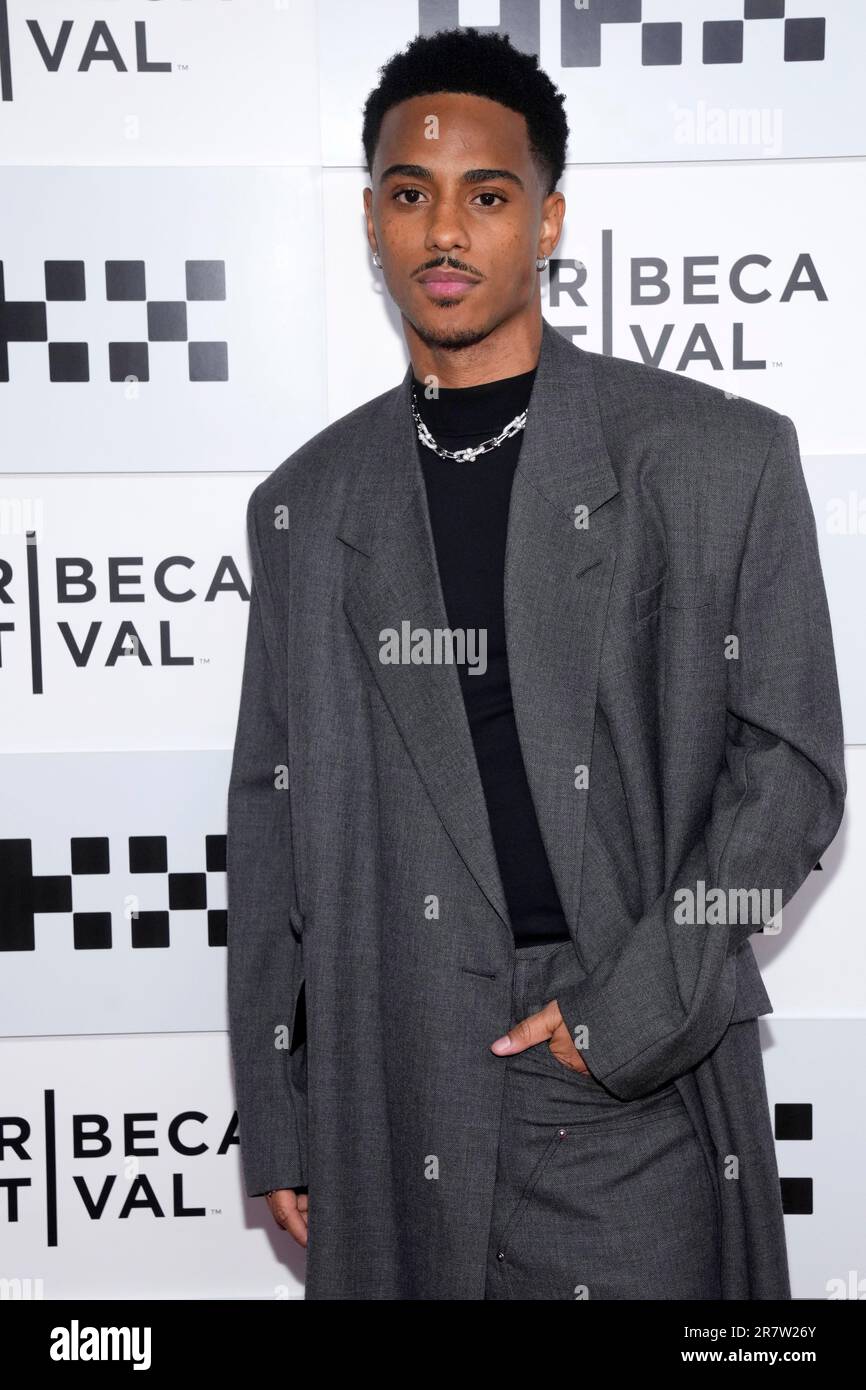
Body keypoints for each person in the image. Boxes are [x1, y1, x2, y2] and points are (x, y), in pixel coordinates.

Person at [226, 27, 846, 1300]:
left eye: (486, 196)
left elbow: (790, 771)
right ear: (370, 221)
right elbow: (270, 820)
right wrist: (285, 1112)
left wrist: (621, 1013)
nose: (445, 230)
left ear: (548, 220)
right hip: (386, 1092)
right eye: (411, 194)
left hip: (621, 1091)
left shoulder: (712, 458)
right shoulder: (306, 503)